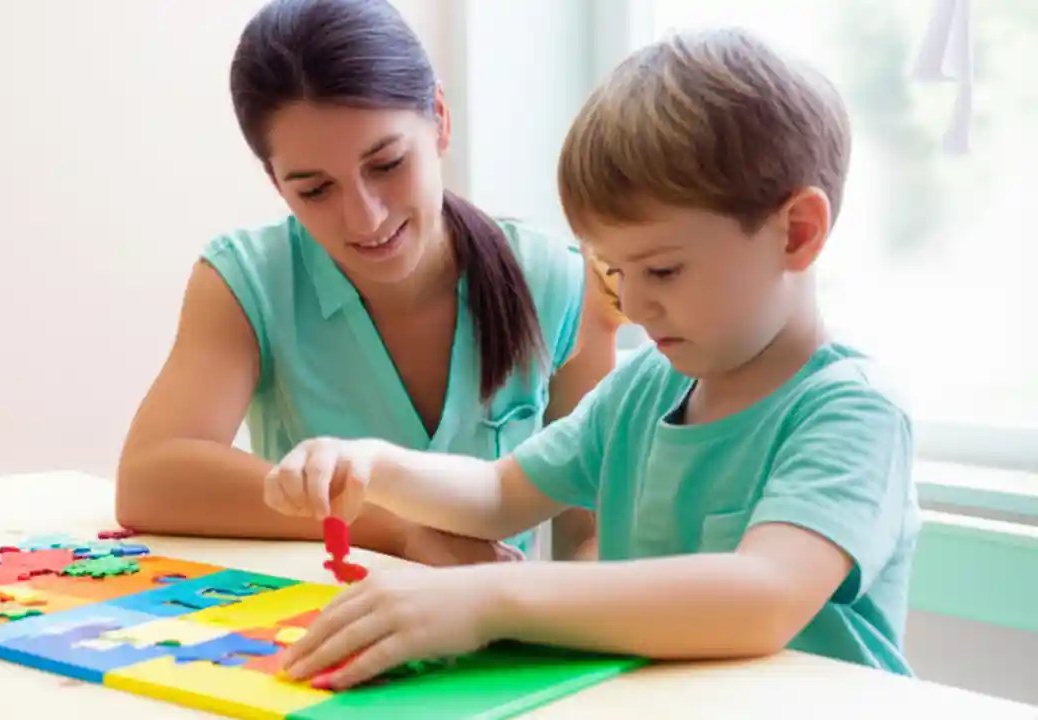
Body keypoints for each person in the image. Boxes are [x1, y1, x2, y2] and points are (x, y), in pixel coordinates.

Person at [263, 27, 921, 689]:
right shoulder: (642, 387)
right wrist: (373, 465)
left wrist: (487, 600)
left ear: (797, 233)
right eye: (614, 271)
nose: (632, 306)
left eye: (662, 271)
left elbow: (761, 596)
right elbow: (500, 495)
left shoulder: (852, 411)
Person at [114, 0, 619, 566]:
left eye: (386, 165)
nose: (365, 219)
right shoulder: (247, 282)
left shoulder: (559, 281)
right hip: (312, 632)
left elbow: (594, 529)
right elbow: (150, 479)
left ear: (440, 119)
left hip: (496, 634)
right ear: (277, 183)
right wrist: (399, 531)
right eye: (316, 190)